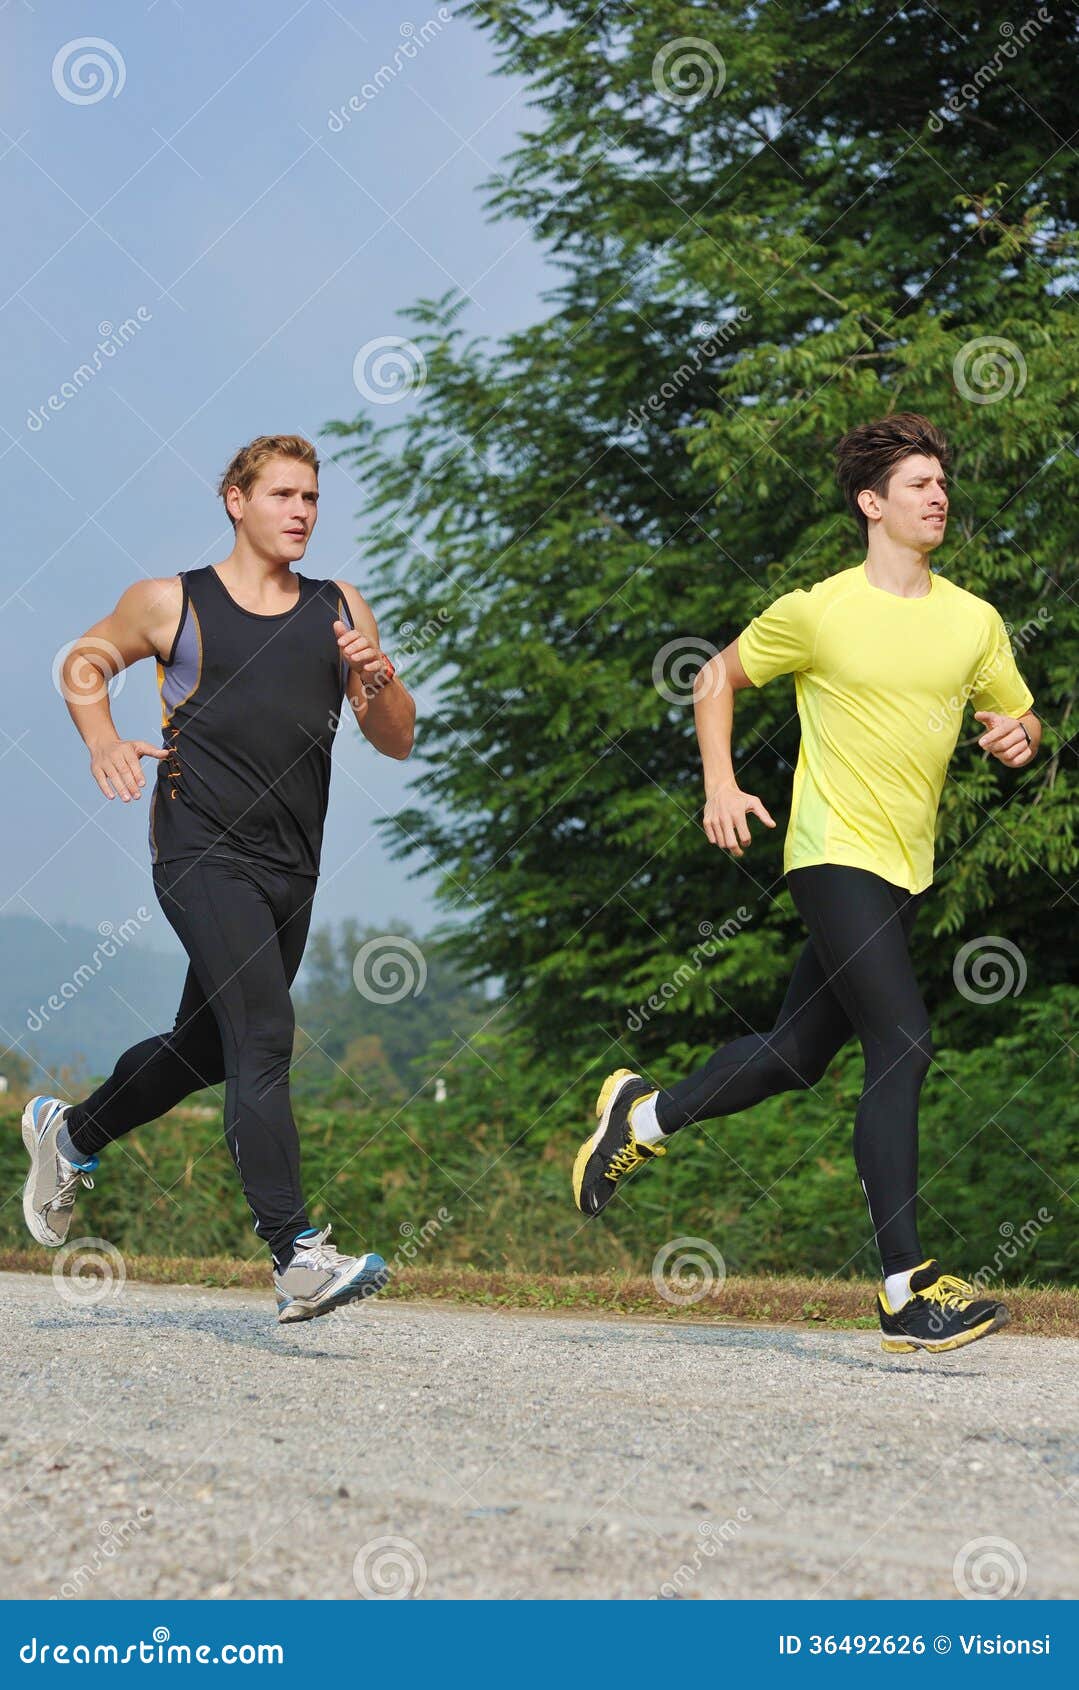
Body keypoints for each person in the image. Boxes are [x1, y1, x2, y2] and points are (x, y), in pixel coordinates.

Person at [572, 413, 1040, 1354]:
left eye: (942, 482)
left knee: (794, 1056)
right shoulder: (817, 609)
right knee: (902, 1045)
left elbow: (1017, 725)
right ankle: (906, 1291)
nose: (937, 495)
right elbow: (715, 678)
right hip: (830, 854)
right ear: (872, 504)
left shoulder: (973, 622)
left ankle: (645, 1114)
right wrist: (720, 782)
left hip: (903, 870)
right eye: (917, 484)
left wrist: (1016, 740)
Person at [21, 434, 416, 1324]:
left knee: (208, 1048)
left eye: (311, 497)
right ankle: (296, 1257)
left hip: (291, 865)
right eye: (282, 494)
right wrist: (103, 741)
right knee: (266, 1035)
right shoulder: (172, 601)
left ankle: (72, 1132)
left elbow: (396, 736)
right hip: (199, 854)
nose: (301, 512)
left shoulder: (340, 607)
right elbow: (83, 664)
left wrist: (378, 679)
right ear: (235, 500)